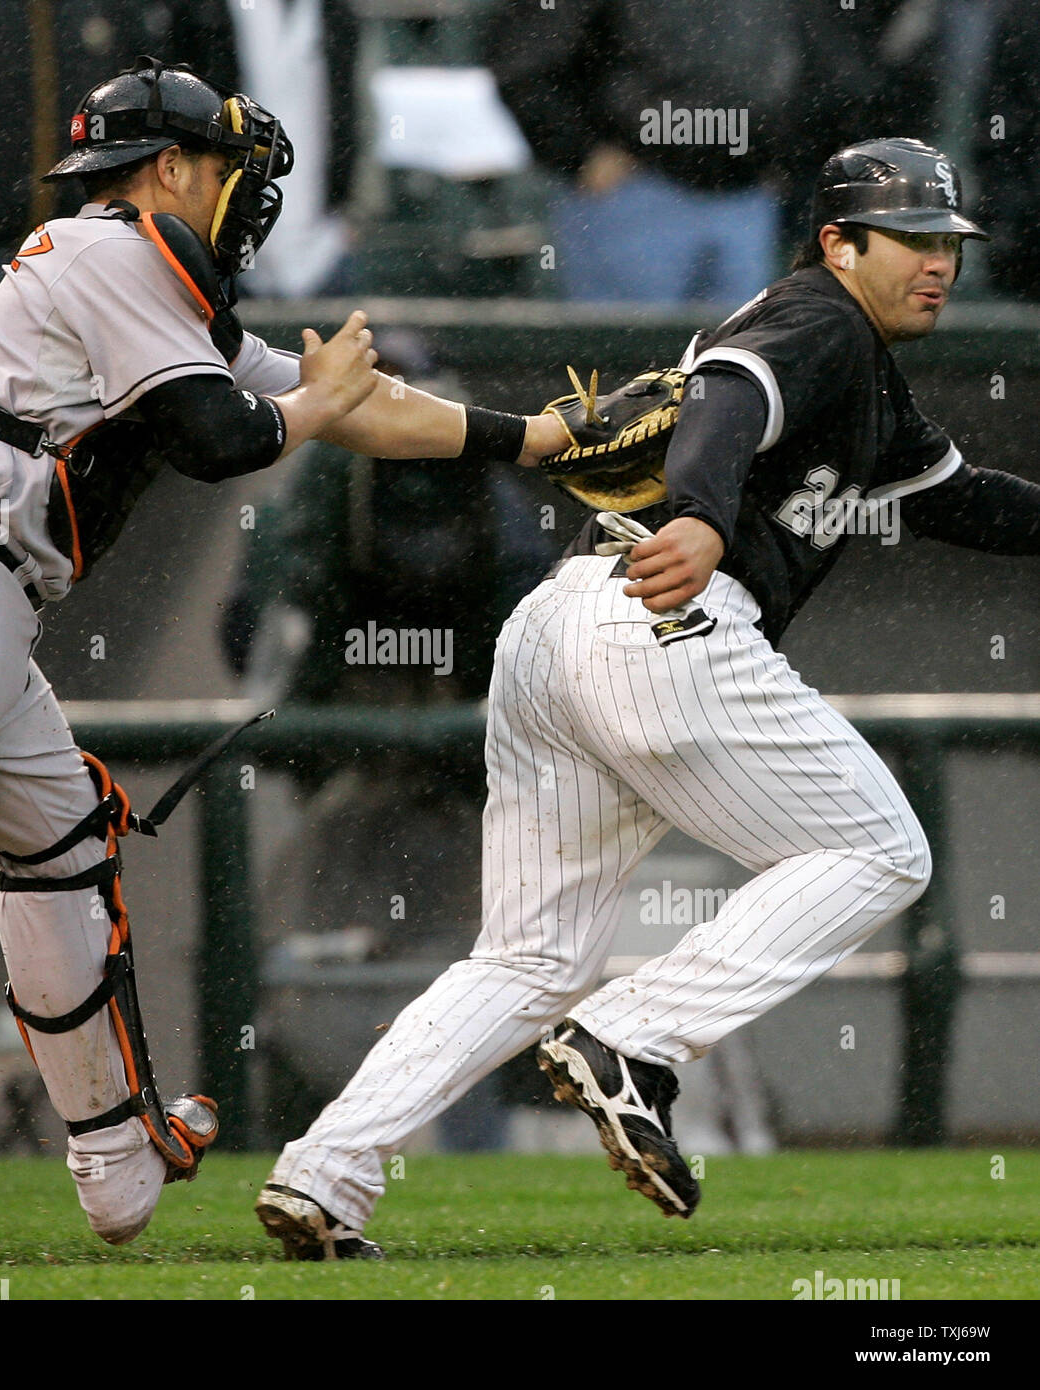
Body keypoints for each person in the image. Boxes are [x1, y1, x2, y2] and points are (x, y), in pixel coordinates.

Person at [0, 56, 569, 1270]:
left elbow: (344, 404)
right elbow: (228, 437)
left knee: (60, 835)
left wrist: (545, 438)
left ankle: (118, 1156)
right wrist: (315, 405)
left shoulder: (144, 282)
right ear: (171, 168)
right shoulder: (116, 252)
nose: (248, 191)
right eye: (231, 167)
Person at [256, 137, 1040, 1259]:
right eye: (910, 240)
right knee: (882, 851)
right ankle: (633, 1035)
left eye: (947, 244)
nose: (937, 265)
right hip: (663, 616)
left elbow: (972, 503)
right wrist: (707, 513)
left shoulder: (870, 388)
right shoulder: (819, 319)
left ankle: (322, 1174)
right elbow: (729, 394)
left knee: (526, 957)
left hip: (559, 626)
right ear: (837, 243)